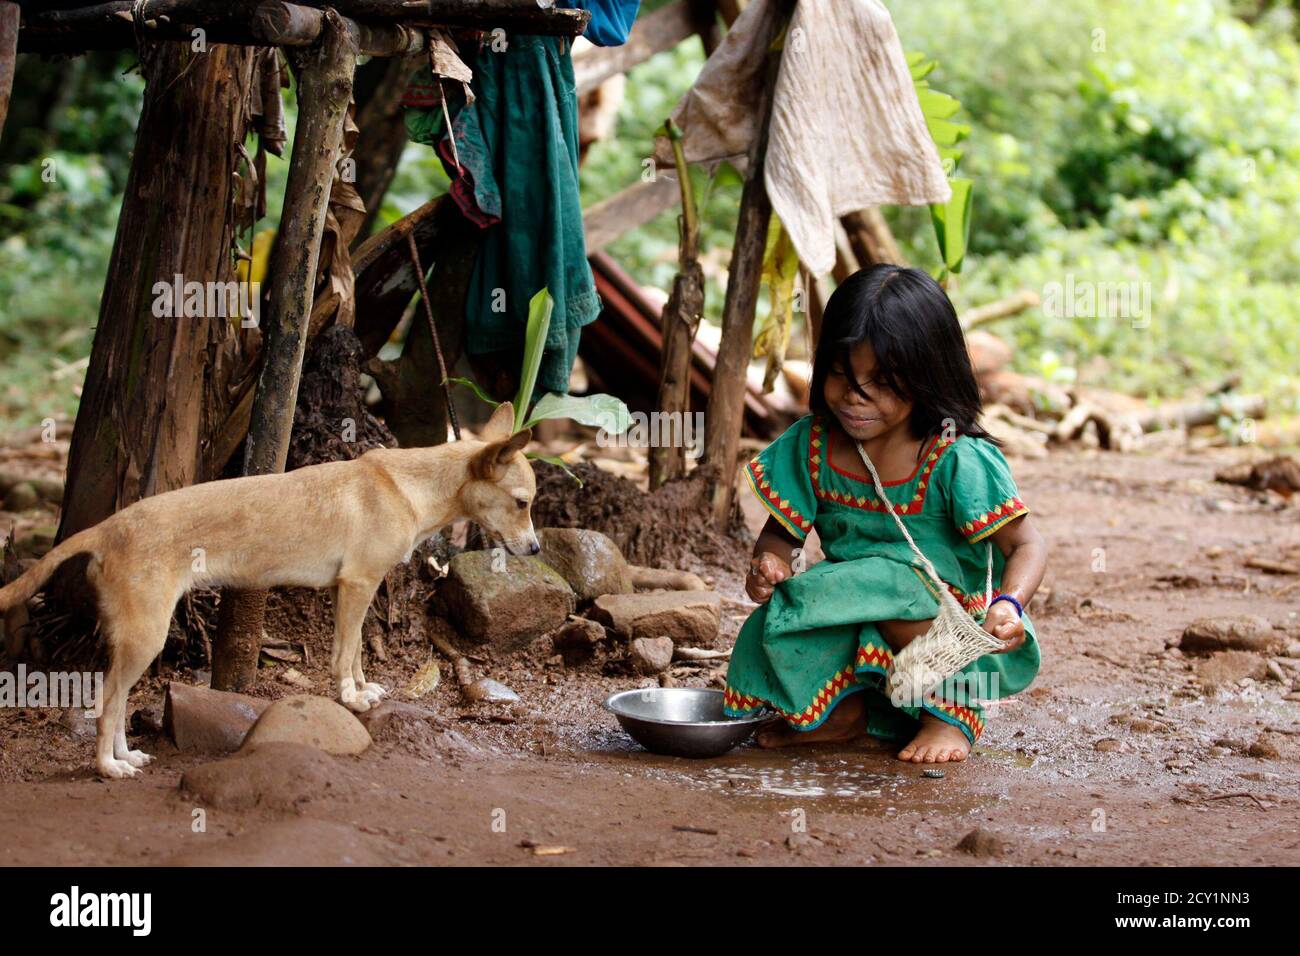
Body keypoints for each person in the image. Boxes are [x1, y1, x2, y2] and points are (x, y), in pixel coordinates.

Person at [724, 264, 1047, 763]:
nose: (856, 396)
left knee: (895, 590)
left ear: (927, 375)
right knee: (782, 615)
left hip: (941, 623)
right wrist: (771, 566)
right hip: (850, 599)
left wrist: (1010, 605)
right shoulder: (813, 445)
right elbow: (780, 538)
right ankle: (843, 713)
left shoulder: (955, 457)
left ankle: (951, 715)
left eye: (882, 381)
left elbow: (1024, 544)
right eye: (842, 374)